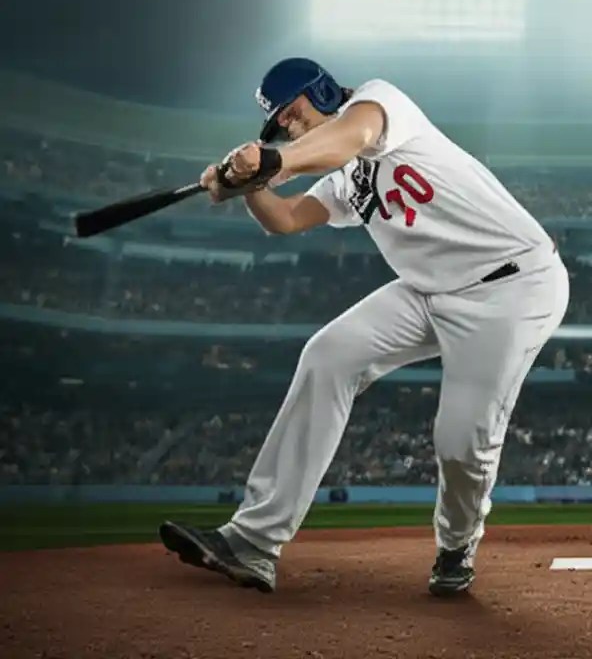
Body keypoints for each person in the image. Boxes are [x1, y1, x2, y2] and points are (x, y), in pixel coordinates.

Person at [158, 57, 569, 597]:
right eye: (280, 123)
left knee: (460, 439)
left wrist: (268, 163)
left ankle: (456, 545)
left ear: (322, 90)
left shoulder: (378, 104)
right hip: (428, 290)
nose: (288, 125)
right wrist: (247, 188)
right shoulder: (344, 178)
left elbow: (347, 138)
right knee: (327, 355)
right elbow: (286, 220)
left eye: (293, 111)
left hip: (512, 286)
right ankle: (254, 541)